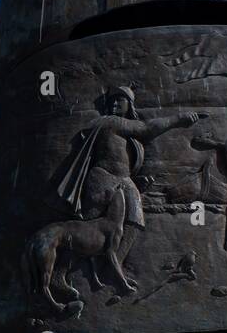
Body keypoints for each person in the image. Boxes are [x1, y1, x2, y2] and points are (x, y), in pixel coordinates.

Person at [57, 87, 204, 292]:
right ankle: (63, 275)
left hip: (123, 179)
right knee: (87, 231)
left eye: (120, 101)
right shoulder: (111, 122)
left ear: (129, 104)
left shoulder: (122, 128)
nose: (115, 105)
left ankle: (112, 267)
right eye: (112, 102)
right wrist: (179, 119)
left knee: (135, 221)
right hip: (101, 178)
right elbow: (146, 128)